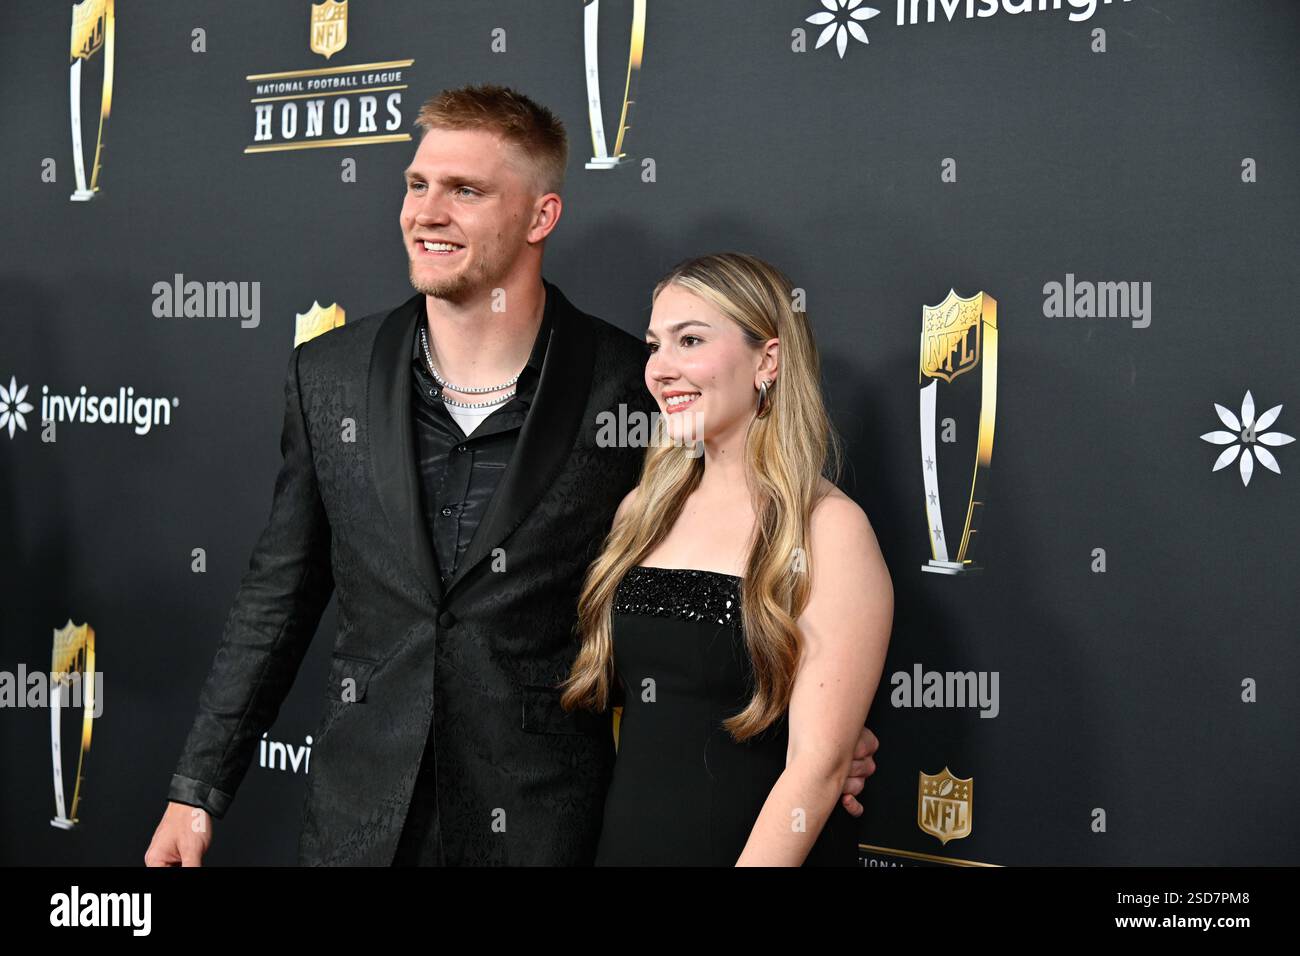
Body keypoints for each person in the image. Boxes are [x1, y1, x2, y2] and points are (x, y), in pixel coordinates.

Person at [144, 85, 879, 867]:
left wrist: (811, 731)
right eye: (417, 184)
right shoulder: (328, 376)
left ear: (540, 217)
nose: (427, 211)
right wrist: (196, 788)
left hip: (547, 824)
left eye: (465, 190)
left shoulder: (635, 386)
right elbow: (278, 597)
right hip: (360, 822)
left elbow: (718, 581)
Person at [562, 253, 893, 865]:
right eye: (654, 345)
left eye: (690, 341)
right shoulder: (641, 510)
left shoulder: (828, 529)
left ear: (767, 359)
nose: (661, 369)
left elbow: (816, 771)